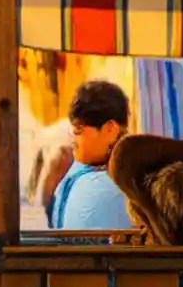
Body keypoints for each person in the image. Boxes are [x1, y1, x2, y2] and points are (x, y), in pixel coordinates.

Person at [49, 80, 135, 230]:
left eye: (79, 129)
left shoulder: (118, 187)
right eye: (73, 128)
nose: (73, 136)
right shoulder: (81, 171)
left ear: (109, 129)